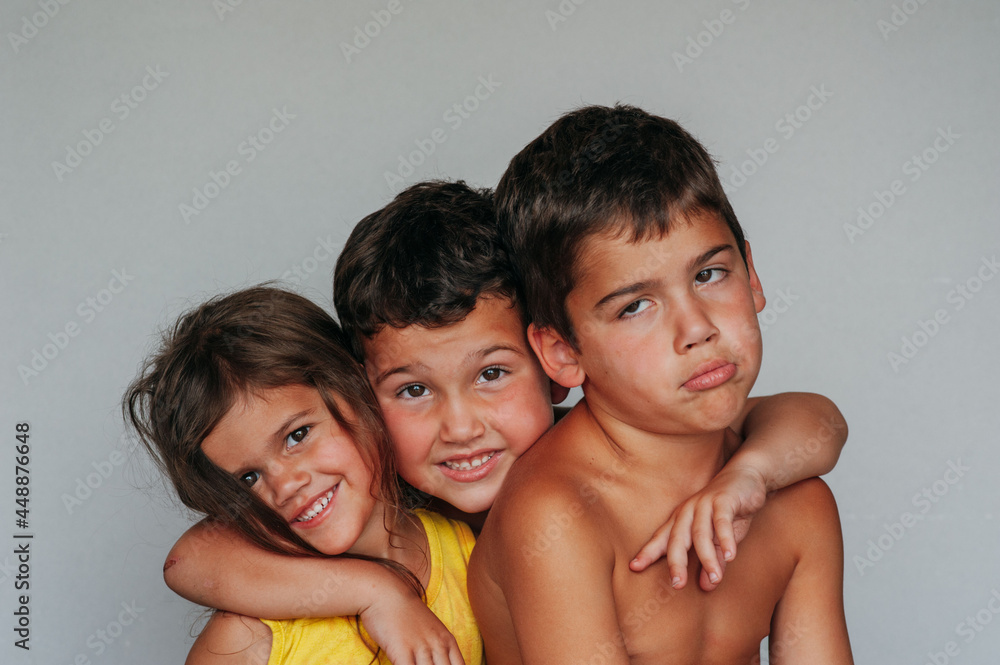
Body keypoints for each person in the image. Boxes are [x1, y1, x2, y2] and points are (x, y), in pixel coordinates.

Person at [162, 182, 848, 659]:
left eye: (492, 374)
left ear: (557, 356)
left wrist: (754, 472)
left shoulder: (614, 455)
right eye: (413, 391)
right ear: (363, 398)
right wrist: (375, 591)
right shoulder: (404, 514)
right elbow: (194, 556)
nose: (460, 427)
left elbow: (807, 420)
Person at [468, 104, 854, 664]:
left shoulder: (797, 506)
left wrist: (751, 474)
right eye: (635, 306)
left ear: (752, 276)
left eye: (709, 274)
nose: (696, 328)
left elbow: (822, 424)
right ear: (563, 352)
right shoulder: (559, 517)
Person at [123, 287, 480, 665]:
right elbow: (185, 561)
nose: (286, 485)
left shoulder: (469, 550)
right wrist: (380, 592)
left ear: (359, 387)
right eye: (248, 478)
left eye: (297, 435)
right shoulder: (245, 640)